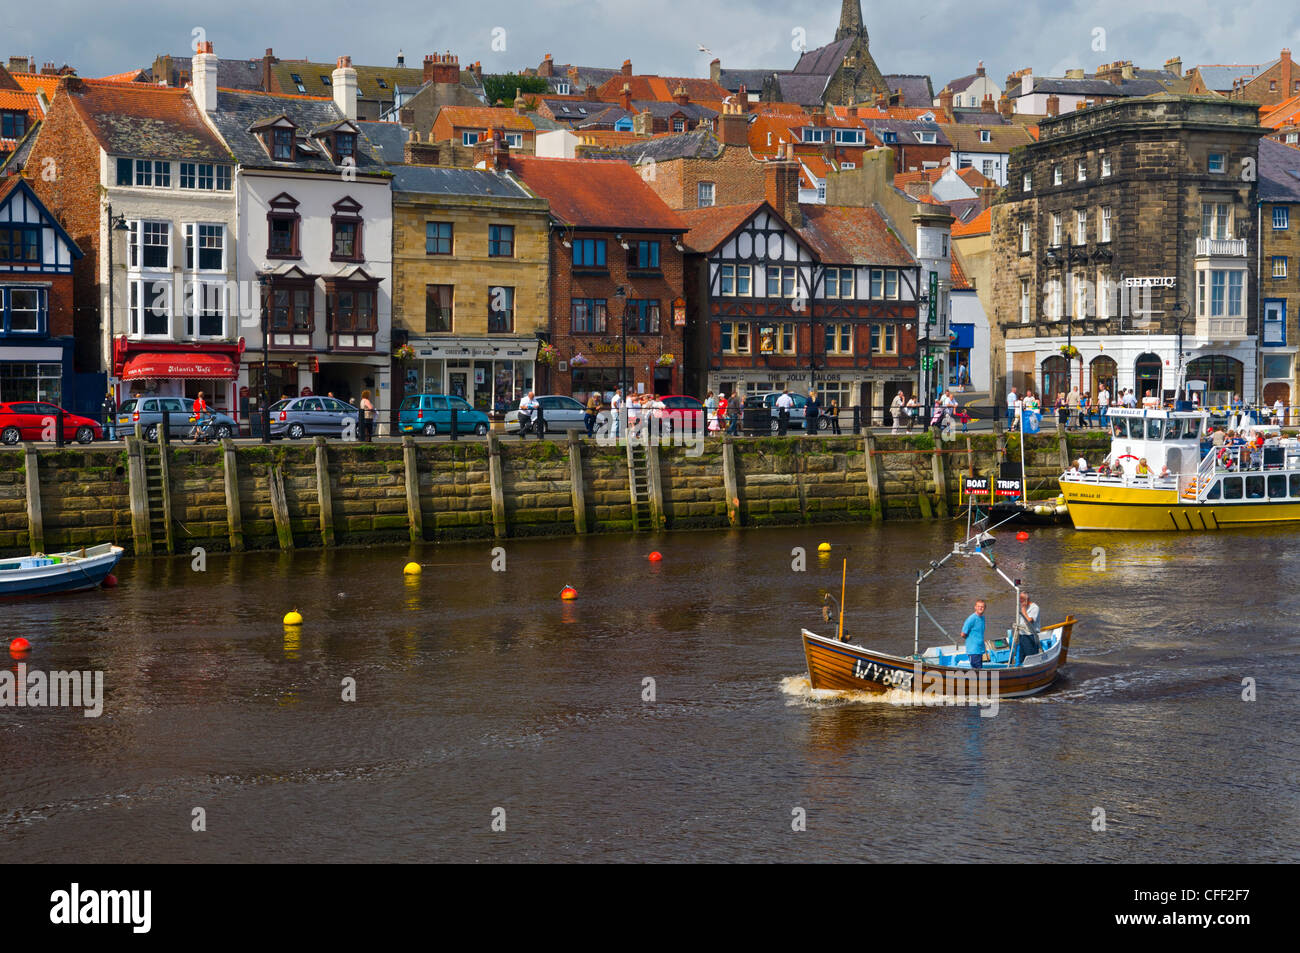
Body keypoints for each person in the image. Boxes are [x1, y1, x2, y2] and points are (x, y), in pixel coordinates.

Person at [1012, 591, 1041, 662]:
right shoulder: (1021, 607)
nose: (1020, 601)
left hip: (1030, 636)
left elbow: (1029, 621)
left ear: (1027, 599)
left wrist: (1024, 611)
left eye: (1022, 599)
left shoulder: (1035, 608)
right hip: (1022, 635)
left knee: (1030, 657)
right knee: (1021, 657)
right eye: (1020, 599)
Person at [962, 599, 987, 669]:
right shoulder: (971, 619)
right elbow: (963, 634)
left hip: (980, 650)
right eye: (978, 606)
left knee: (979, 669)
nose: (980, 608)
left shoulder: (982, 618)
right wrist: (972, 640)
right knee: (977, 670)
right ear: (975, 607)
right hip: (973, 650)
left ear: (985, 608)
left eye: (982, 606)